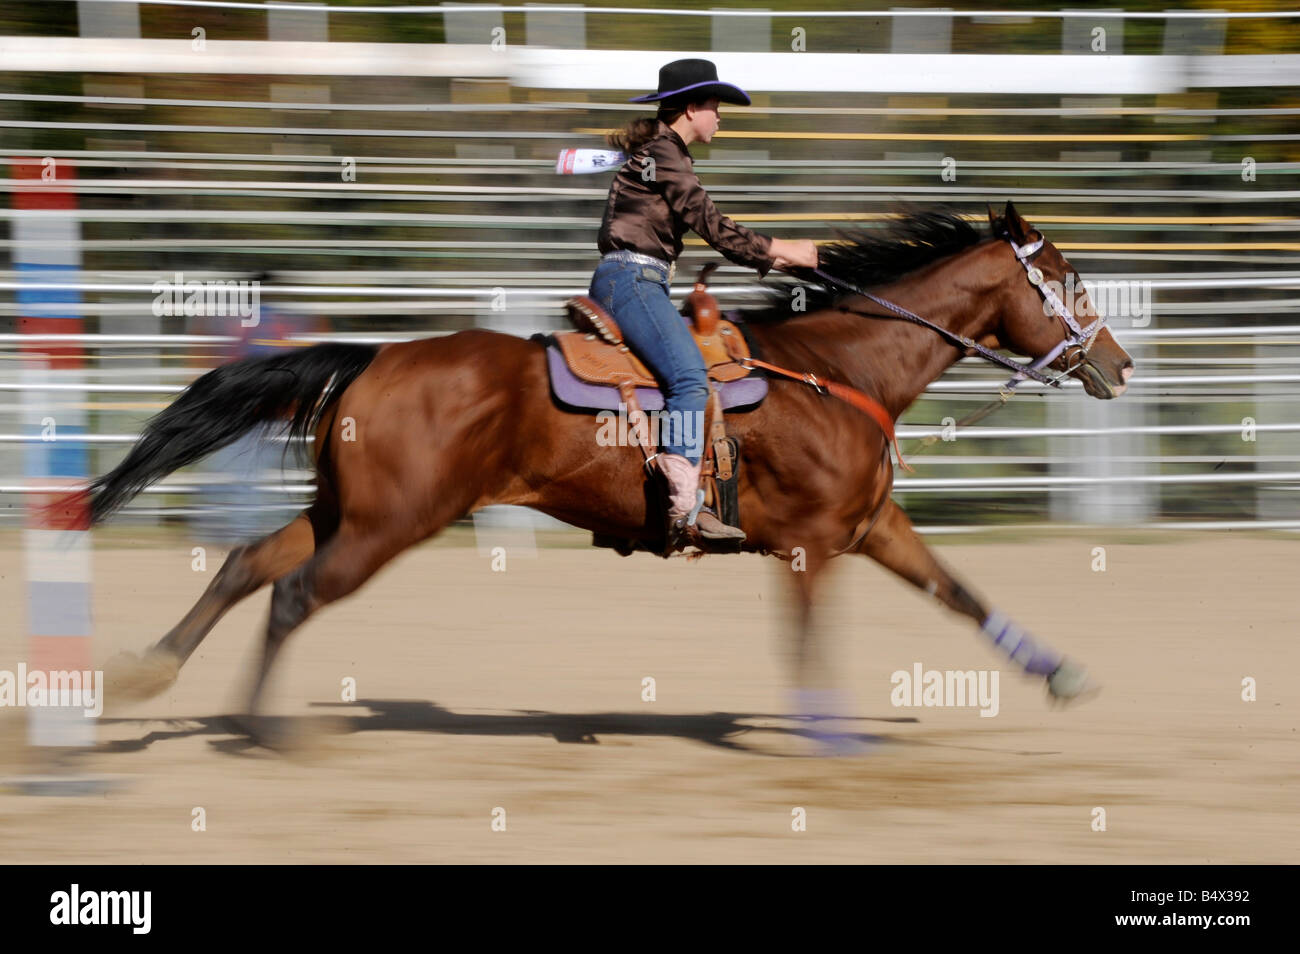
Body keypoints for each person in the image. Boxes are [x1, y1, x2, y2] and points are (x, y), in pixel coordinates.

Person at [592, 58, 818, 547]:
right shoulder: (664, 153)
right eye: (715, 106)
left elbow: (710, 228)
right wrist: (782, 248)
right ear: (691, 108)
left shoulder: (663, 153)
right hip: (631, 281)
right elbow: (710, 221)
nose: (720, 116)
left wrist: (778, 264)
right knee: (692, 378)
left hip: (634, 280)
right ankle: (684, 508)